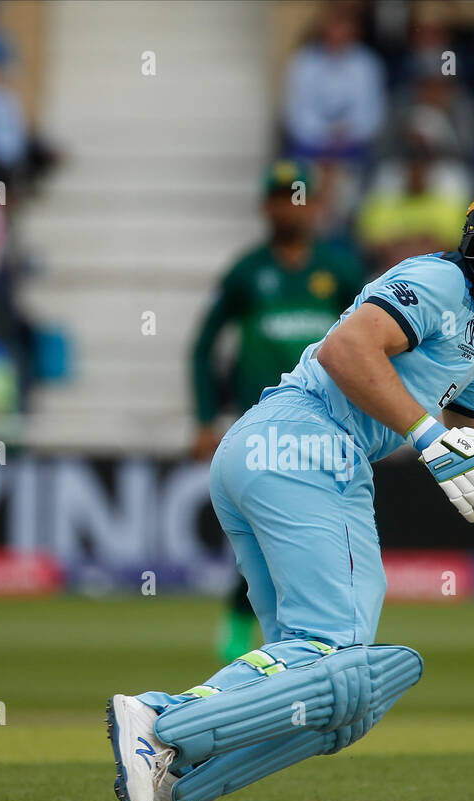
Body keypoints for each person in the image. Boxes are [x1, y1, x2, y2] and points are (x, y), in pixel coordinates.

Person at [109, 163, 474, 801]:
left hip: (265, 450)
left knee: (319, 684)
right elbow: (346, 348)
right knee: (335, 654)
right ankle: (160, 718)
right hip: (309, 445)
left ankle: (173, 786)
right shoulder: (440, 282)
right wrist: (425, 437)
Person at [190, 161, 363, 663]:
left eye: (299, 196)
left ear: (316, 205)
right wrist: (204, 419)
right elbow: (202, 347)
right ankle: (256, 634)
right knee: (269, 533)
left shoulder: (340, 271)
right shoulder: (247, 272)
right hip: (261, 426)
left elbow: (370, 346)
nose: (291, 207)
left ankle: (313, 638)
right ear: (265, 206)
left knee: (318, 535)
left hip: (328, 426)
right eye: (282, 197)